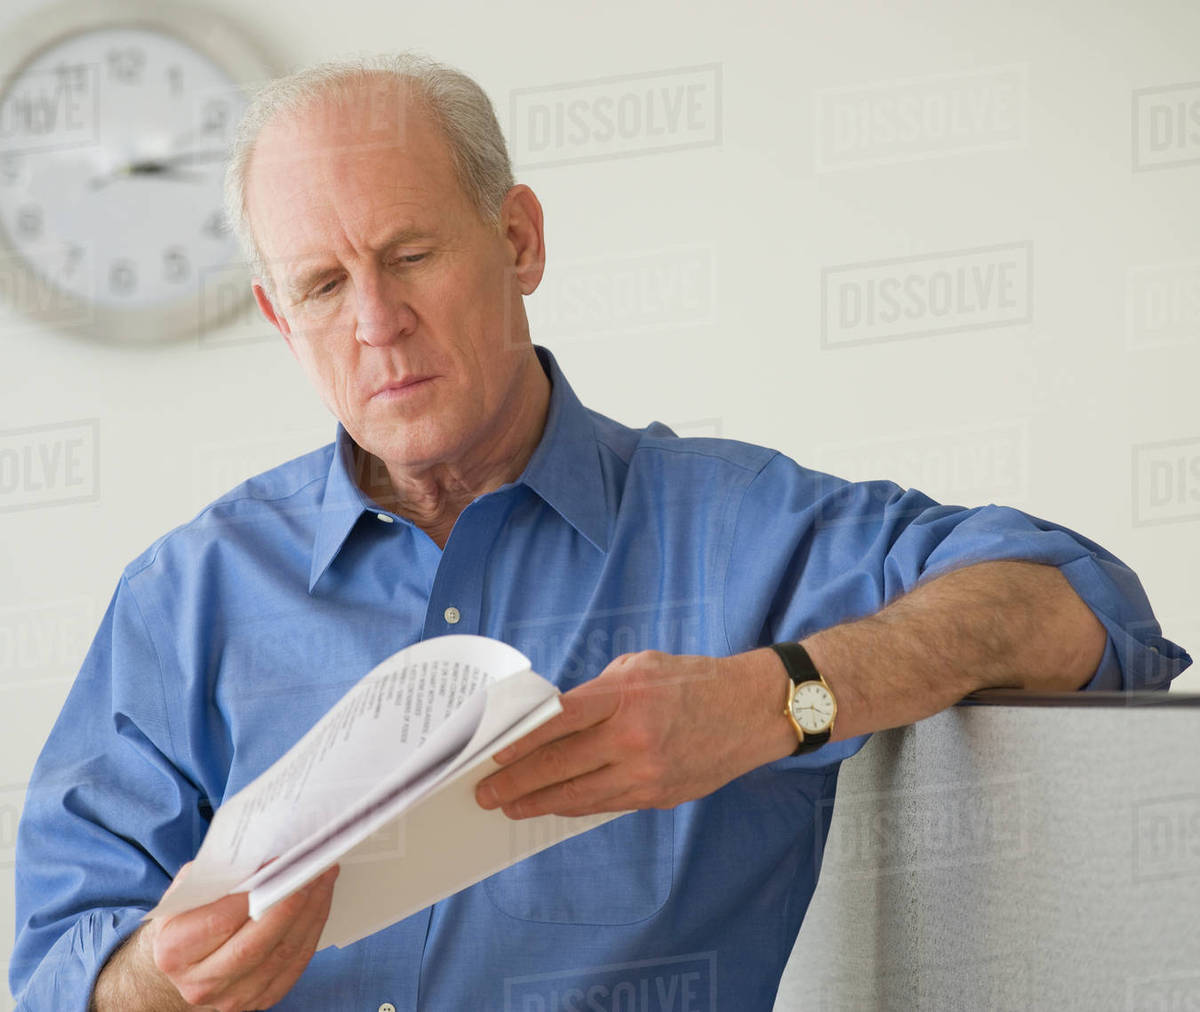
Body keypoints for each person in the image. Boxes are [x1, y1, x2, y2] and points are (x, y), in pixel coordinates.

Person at [10, 53, 1190, 1012]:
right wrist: (155, 983)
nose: (376, 321)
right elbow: (59, 964)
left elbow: (1083, 607)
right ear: (279, 315)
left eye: (411, 254)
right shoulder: (188, 594)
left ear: (518, 241)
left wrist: (777, 699)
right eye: (322, 285)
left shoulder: (739, 532)